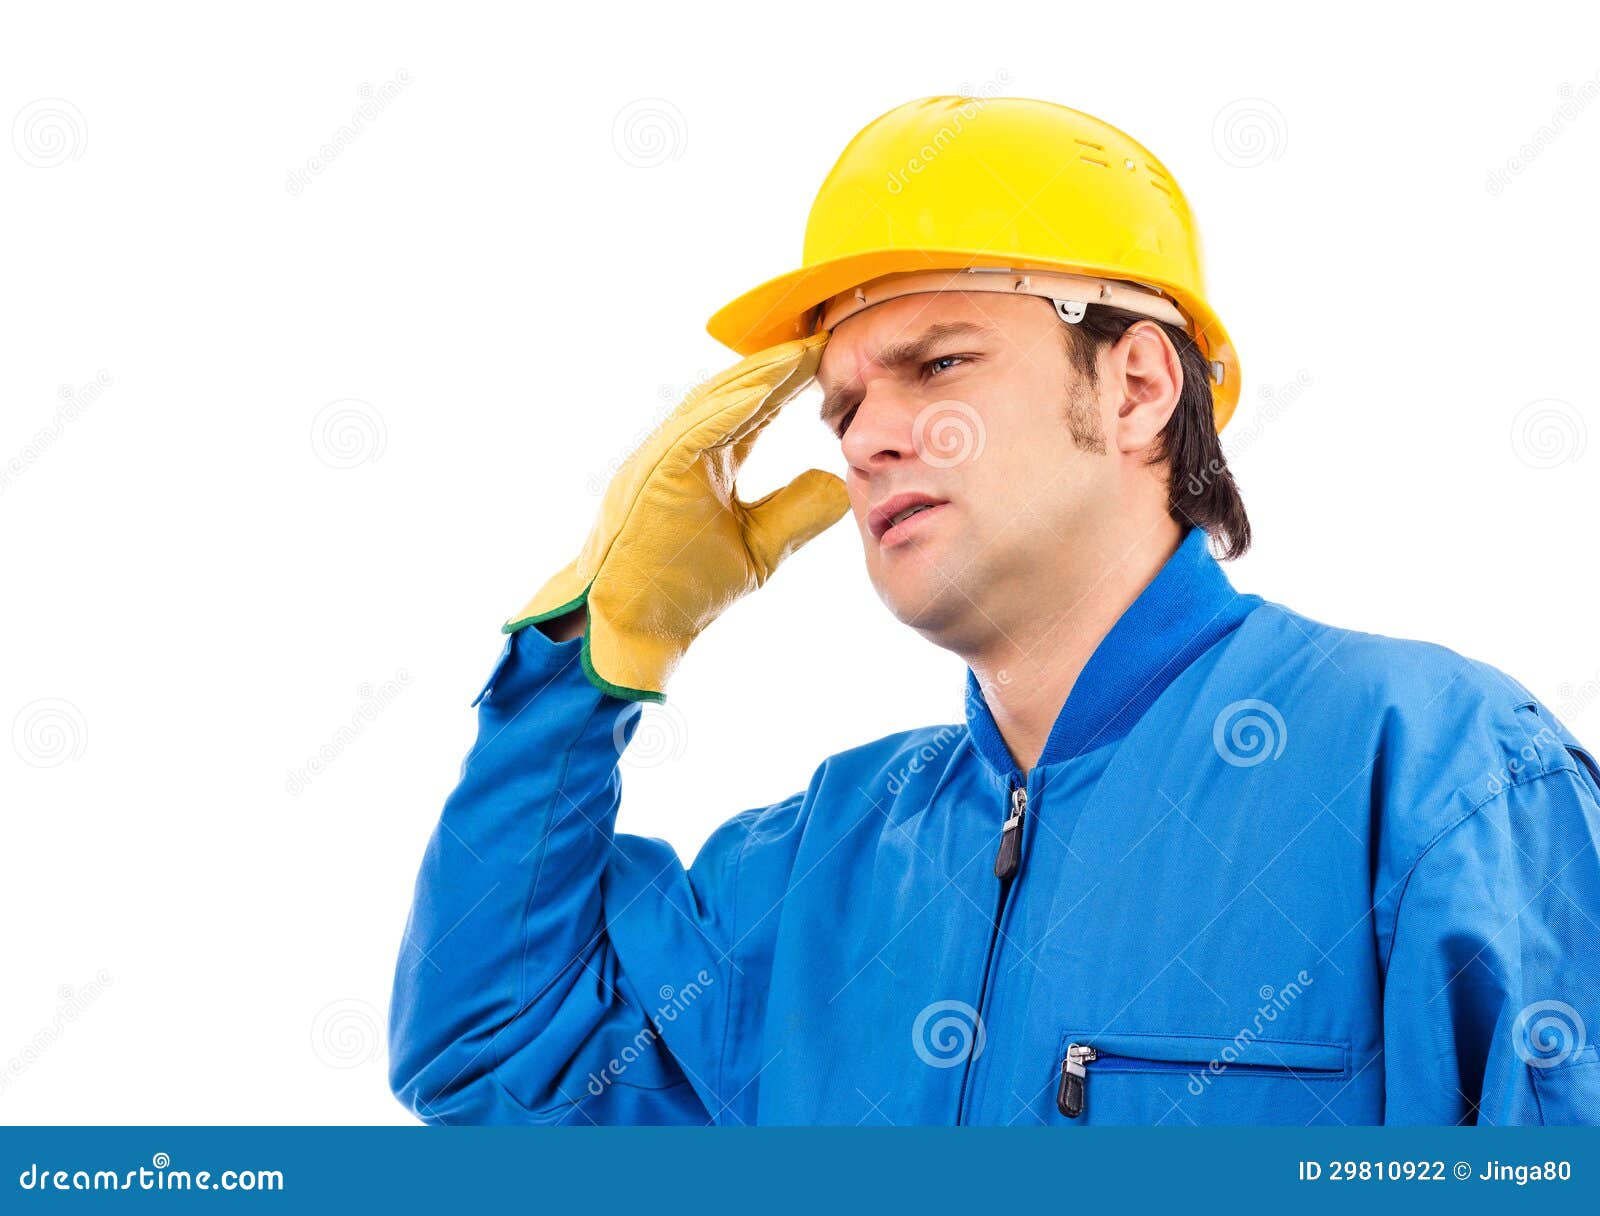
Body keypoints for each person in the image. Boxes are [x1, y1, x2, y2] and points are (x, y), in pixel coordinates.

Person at [387, 96, 1600, 1125]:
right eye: (842, 402)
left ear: (1133, 386)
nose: (866, 435)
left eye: (938, 363)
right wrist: (596, 652)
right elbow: (490, 1053)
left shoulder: (1433, 772)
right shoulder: (813, 867)